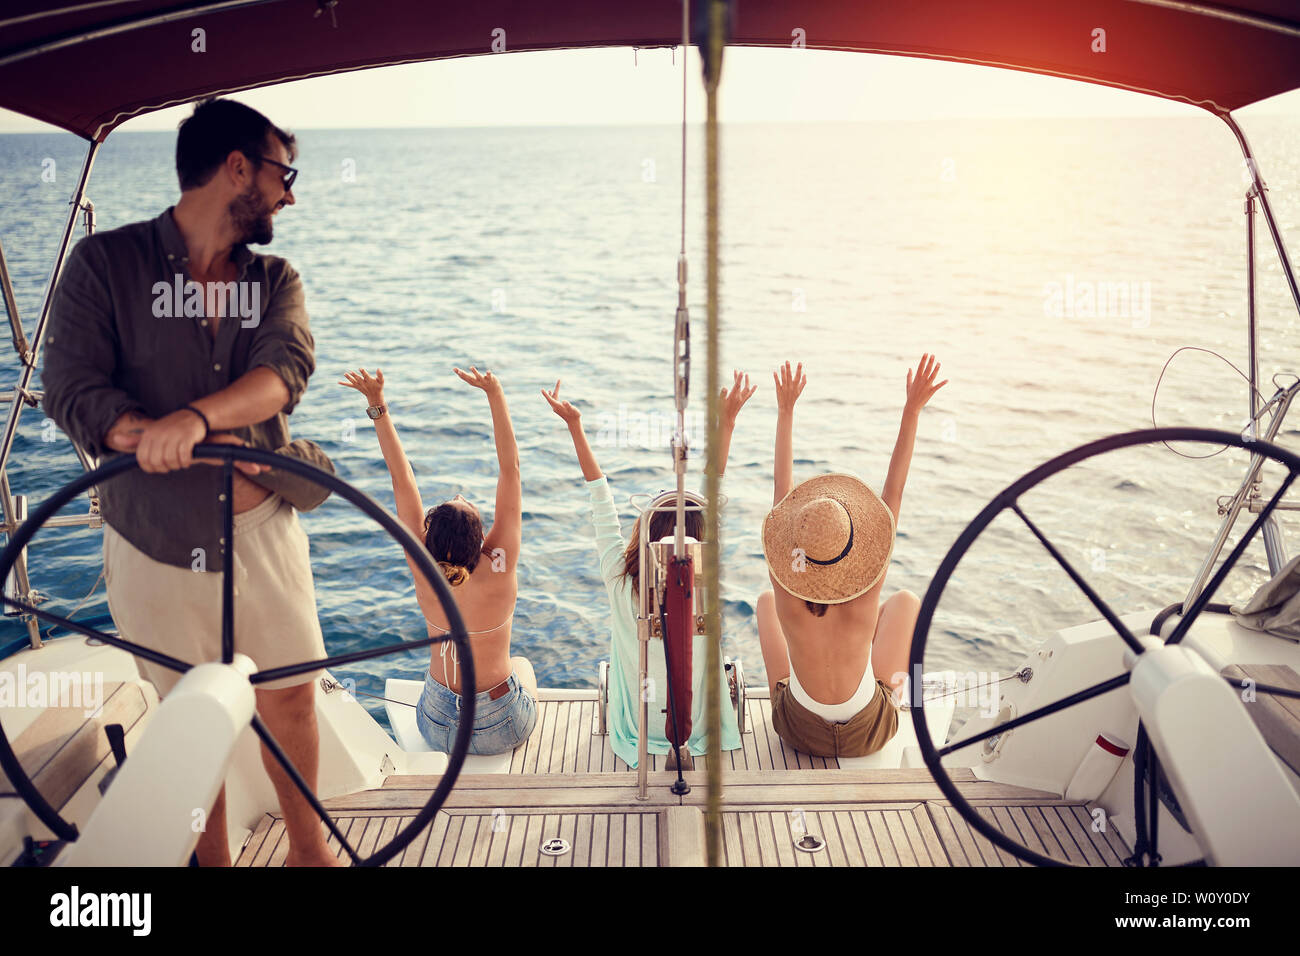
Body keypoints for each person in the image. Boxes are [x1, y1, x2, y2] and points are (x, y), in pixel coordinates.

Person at [41, 98, 340, 865]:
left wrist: (195, 423)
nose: (290, 194)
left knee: (292, 701)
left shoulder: (275, 279)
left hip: (261, 533)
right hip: (153, 543)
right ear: (238, 167)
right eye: (284, 173)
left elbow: (284, 373)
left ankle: (314, 856)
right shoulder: (103, 266)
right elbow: (72, 389)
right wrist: (142, 435)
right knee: (188, 723)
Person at [542, 371, 756, 768]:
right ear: (703, 536)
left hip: (638, 730)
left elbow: (600, 499)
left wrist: (575, 425)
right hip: (698, 728)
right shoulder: (705, 581)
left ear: (645, 530)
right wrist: (727, 423)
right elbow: (714, 486)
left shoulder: (618, 578)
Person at [756, 355, 947, 759]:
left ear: (795, 547)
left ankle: (788, 693)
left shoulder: (786, 595)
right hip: (868, 734)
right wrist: (912, 410)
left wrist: (785, 410)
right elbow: (893, 491)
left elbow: (780, 488)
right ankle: (883, 686)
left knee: (764, 604)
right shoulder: (867, 593)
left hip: (798, 733)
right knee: (907, 602)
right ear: (853, 551)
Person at [340, 366, 537, 755]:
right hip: (499, 725)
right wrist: (495, 394)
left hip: (434, 720)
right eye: (465, 502)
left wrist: (377, 405)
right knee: (524, 665)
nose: (462, 493)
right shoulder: (499, 563)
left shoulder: (422, 565)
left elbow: (402, 480)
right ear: (482, 539)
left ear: (428, 538)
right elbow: (510, 471)